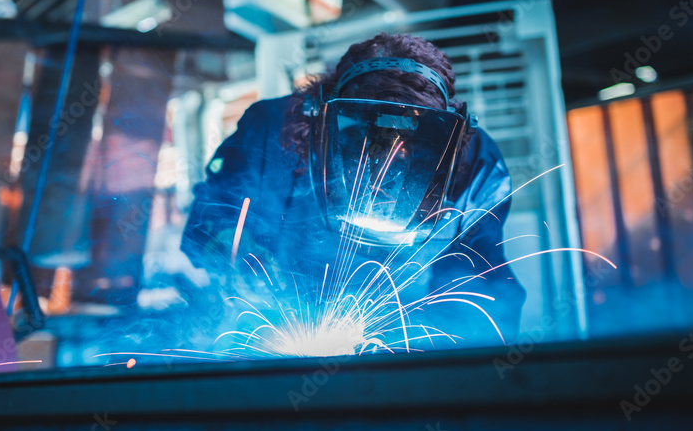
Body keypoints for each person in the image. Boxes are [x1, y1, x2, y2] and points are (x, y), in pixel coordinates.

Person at [182, 33, 525, 349]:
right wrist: (239, 263)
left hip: (405, 333)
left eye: (410, 153)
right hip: (279, 319)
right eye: (368, 149)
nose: (383, 178)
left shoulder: (476, 165)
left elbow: (485, 295)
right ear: (320, 123)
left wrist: (427, 360)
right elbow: (208, 222)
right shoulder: (269, 131)